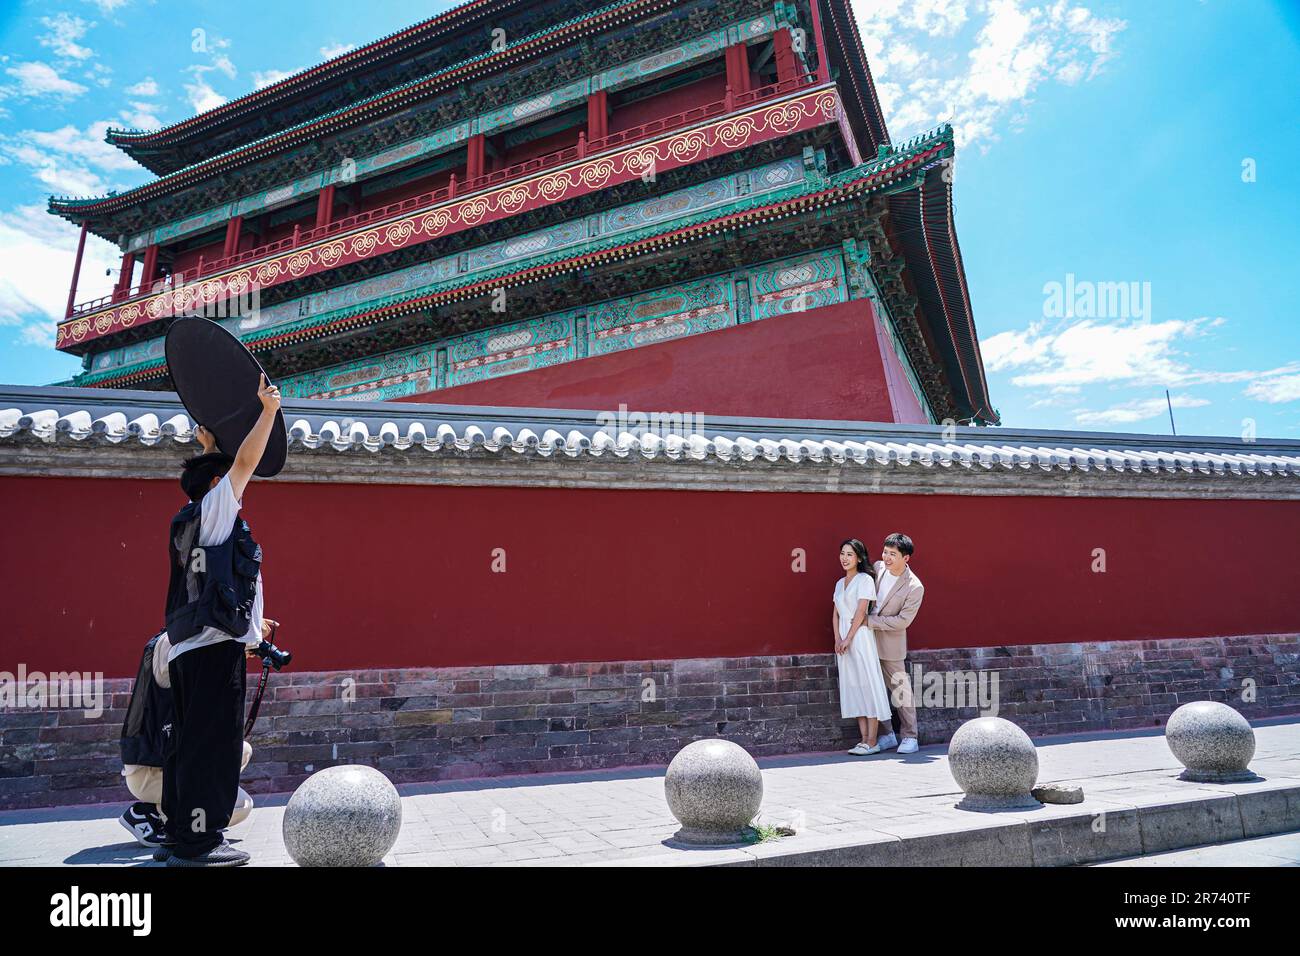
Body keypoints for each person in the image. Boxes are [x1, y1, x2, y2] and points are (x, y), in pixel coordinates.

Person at [161, 374, 279, 867]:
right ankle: (200, 843)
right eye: (225, 476)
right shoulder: (214, 507)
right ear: (215, 483)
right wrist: (268, 409)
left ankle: (184, 835)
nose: (239, 484)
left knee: (190, 745)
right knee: (215, 746)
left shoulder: (192, 518)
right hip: (212, 652)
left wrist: (207, 444)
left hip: (191, 648)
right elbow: (247, 461)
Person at [118, 630, 256, 850]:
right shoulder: (176, 644)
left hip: (156, 761)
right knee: (237, 805)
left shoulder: (177, 636)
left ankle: (171, 813)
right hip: (151, 769)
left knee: (241, 751)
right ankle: (152, 815)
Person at [832, 539, 894, 756]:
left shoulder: (865, 579)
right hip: (844, 641)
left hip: (860, 638)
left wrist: (849, 638)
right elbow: (836, 613)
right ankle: (862, 740)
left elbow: (860, 612)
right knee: (853, 686)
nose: (845, 558)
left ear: (859, 557)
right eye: (842, 553)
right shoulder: (840, 583)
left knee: (868, 684)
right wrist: (838, 639)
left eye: (850, 554)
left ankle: (872, 740)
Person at [869, 532, 925, 755]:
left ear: (906, 558)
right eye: (885, 552)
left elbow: (903, 621)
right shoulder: (877, 568)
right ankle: (887, 734)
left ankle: (910, 736)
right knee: (874, 690)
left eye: (893, 554)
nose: (887, 558)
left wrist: (870, 621)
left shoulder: (914, 587)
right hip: (867, 640)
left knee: (901, 691)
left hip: (891, 646)